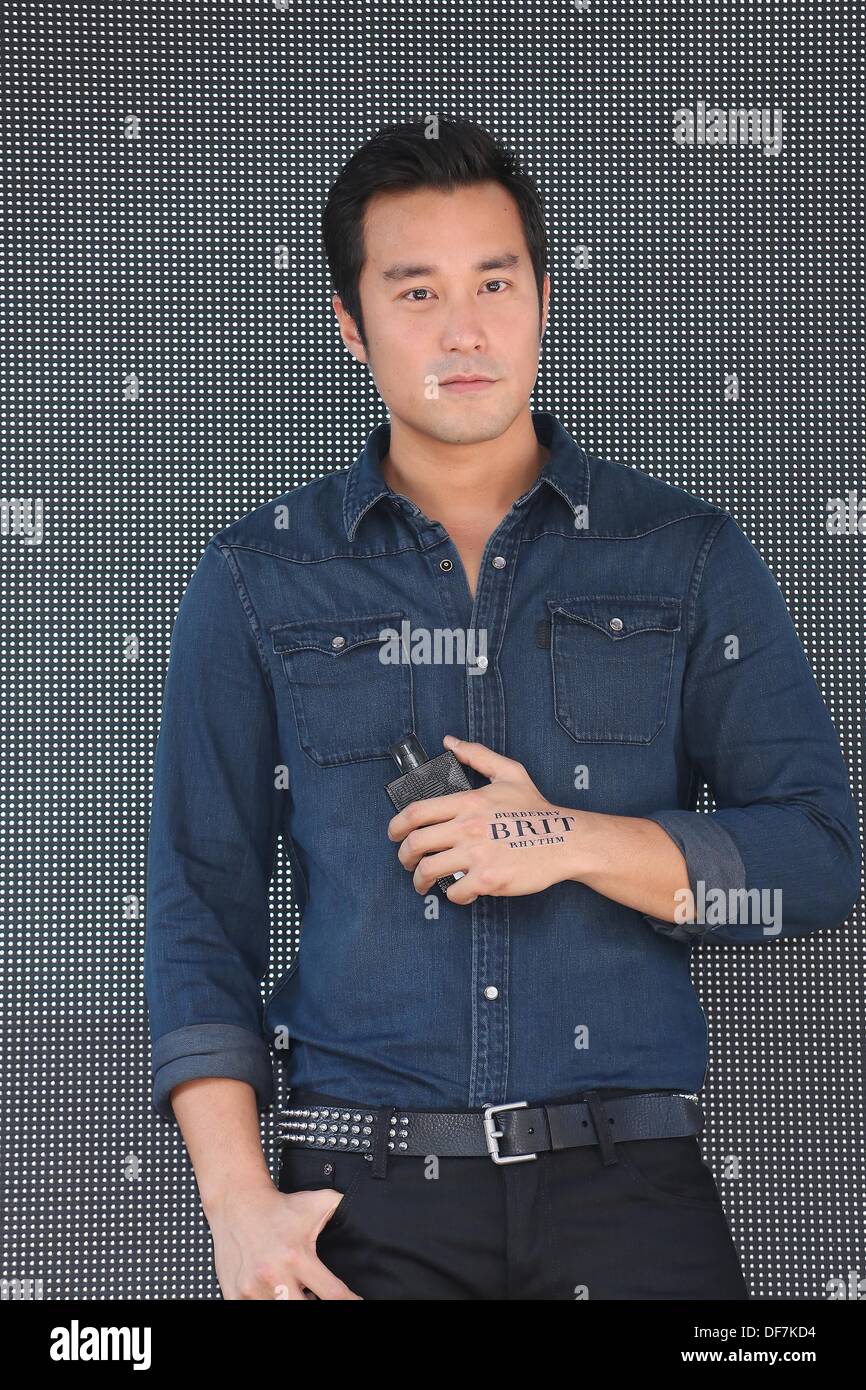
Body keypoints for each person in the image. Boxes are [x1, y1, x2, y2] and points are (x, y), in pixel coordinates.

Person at [144, 117, 861, 1301]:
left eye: (493, 282)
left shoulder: (683, 555)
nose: (462, 329)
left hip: (629, 1195)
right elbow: (194, 911)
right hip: (356, 1206)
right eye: (414, 290)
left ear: (541, 301)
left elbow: (815, 860)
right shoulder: (253, 577)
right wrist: (238, 1207)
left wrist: (568, 838)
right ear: (348, 322)